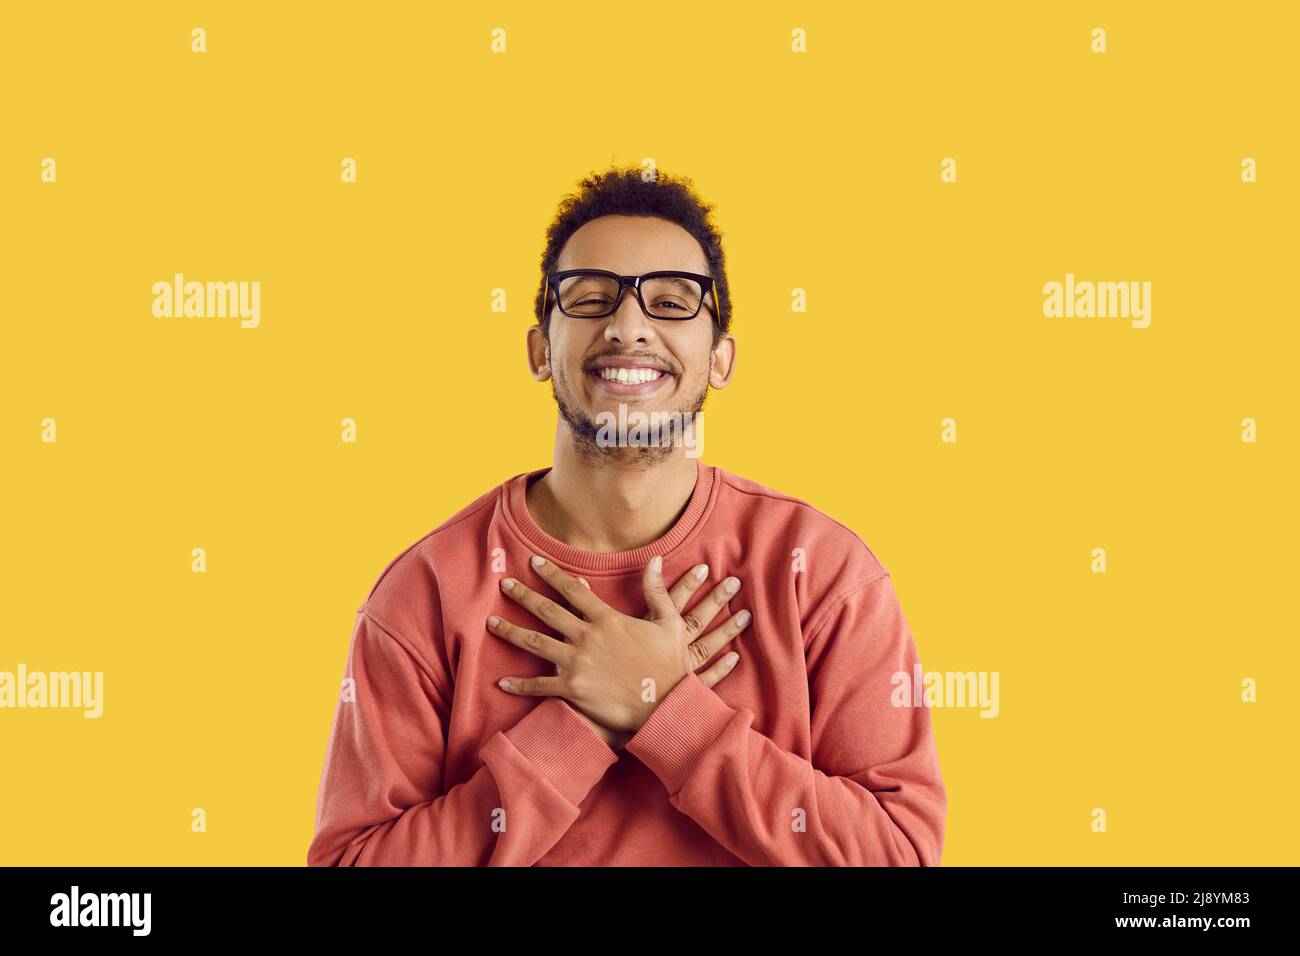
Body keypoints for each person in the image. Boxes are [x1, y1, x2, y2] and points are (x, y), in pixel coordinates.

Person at [307, 165, 947, 866]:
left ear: (721, 358)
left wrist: (670, 712)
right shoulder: (425, 591)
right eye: (589, 299)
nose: (628, 326)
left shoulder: (821, 572)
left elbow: (900, 856)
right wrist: (578, 727)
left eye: (672, 302)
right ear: (539, 351)